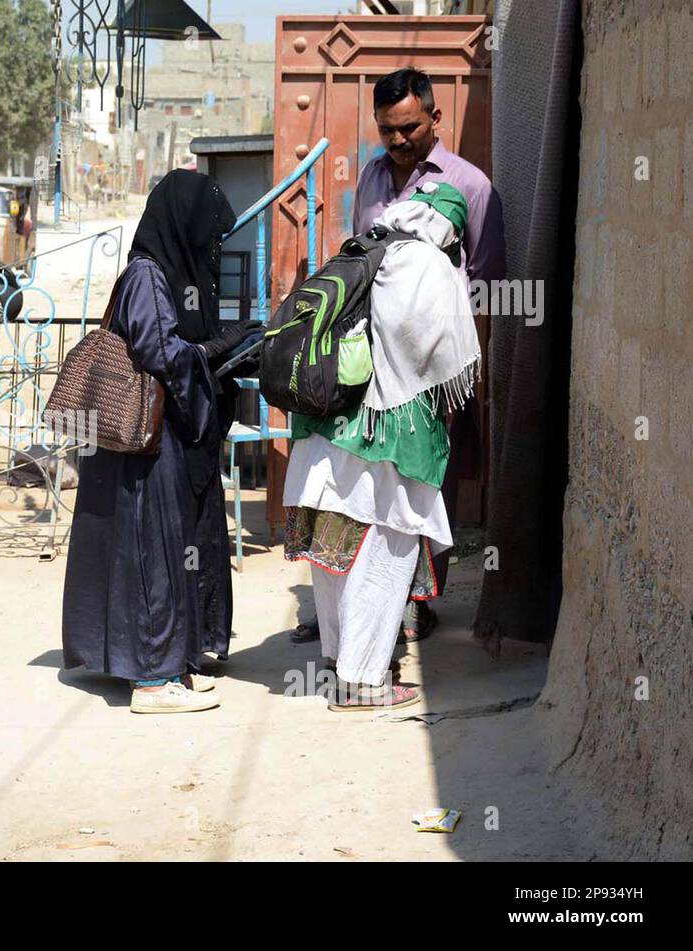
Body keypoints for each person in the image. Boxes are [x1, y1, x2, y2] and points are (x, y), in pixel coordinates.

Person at [294, 66, 507, 647]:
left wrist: (463, 369)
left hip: (433, 369)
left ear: (435, 117)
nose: (397, 141)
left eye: (408, 127)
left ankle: (416, 606)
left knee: (424, 480)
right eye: (386, 129)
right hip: (371, 366)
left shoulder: (471, 186)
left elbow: (486, 283)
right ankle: (370, 604)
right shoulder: (369, 177)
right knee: (374, 482)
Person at [61, 170, 255, 714]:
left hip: (165, 435)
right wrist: (220, 349)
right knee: (152, 552)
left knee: (174, 548)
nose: (212, 244)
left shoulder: (172, 274)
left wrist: (226, 353)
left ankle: (177, 658)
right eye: (207, 232)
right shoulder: (147, 275)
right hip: (146, 445)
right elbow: (163, 353)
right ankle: (152, 681)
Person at [283, 183, 479, 711]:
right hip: (387, 436)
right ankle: (363, 683)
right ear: (447, 227)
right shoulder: (427, 264)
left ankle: (338, 661)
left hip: (324, 425)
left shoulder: (364, 248)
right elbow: (443, 356)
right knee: (384, 555)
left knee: (333, 553)